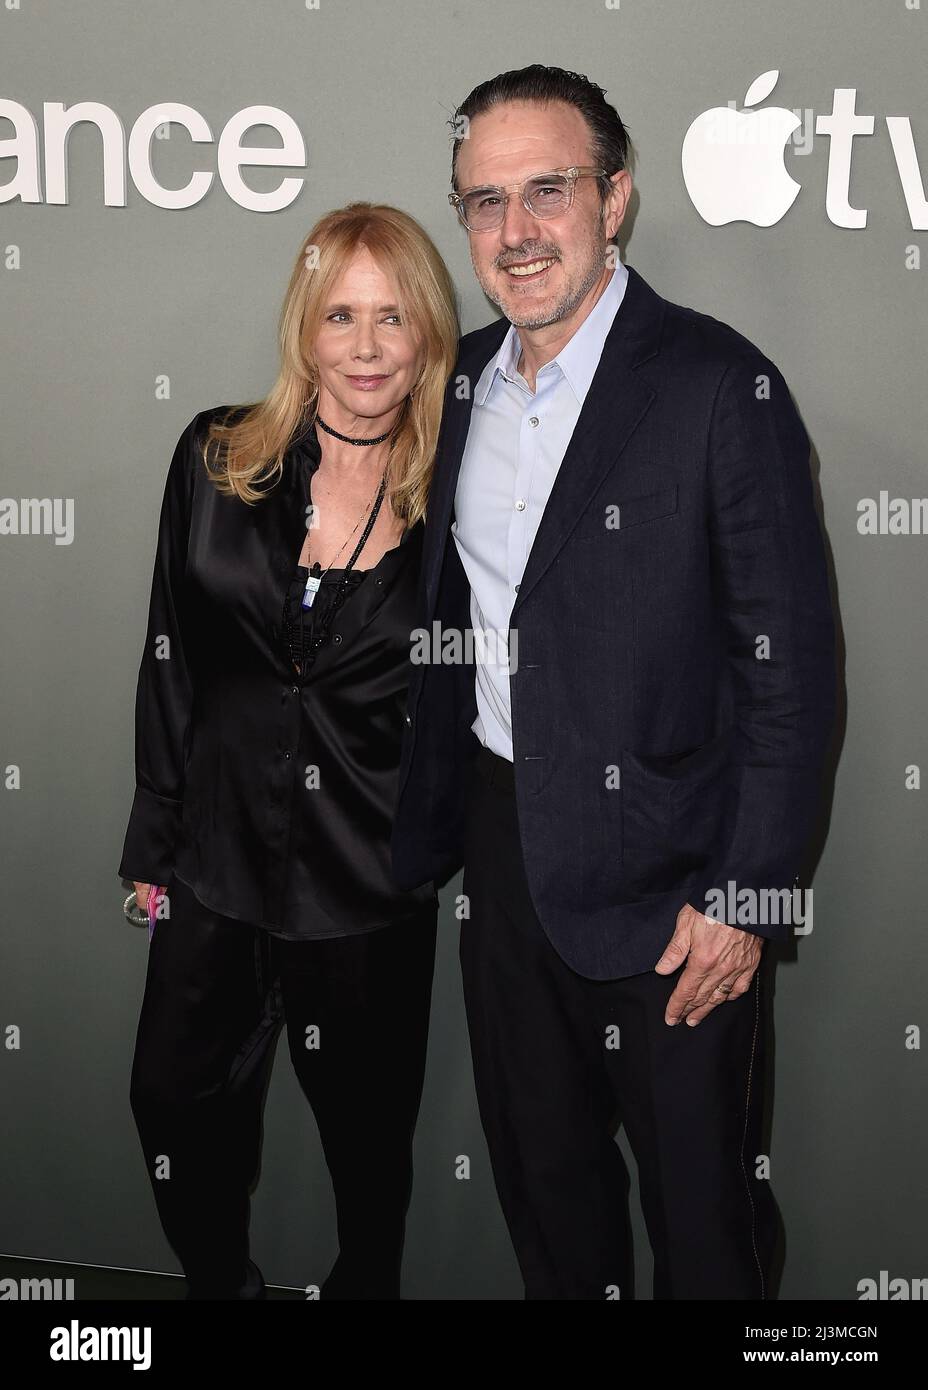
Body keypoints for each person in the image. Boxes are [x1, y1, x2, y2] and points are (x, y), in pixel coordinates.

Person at [392, 65, 836, 1299]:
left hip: (674, 891)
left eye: (548, 190)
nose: (516, 230)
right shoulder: (460, 382)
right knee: (551, 1204)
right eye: (483, 201)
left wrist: (746, 895)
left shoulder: (715, 385)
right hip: (505, 860)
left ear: (617, 198)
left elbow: (790, 671)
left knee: (706, 1234)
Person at [118, 203, 459, 1299]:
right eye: (339, 315)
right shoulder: (216, 457)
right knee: (168, 1101)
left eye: (392, 317)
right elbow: (170, 655)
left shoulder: (458, 504)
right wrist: (153, 846)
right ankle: (223, 1287)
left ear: (428, 337)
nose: (364, 347)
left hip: (364, 891)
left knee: (369, 1153)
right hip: (209, 869)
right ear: (302, 329)